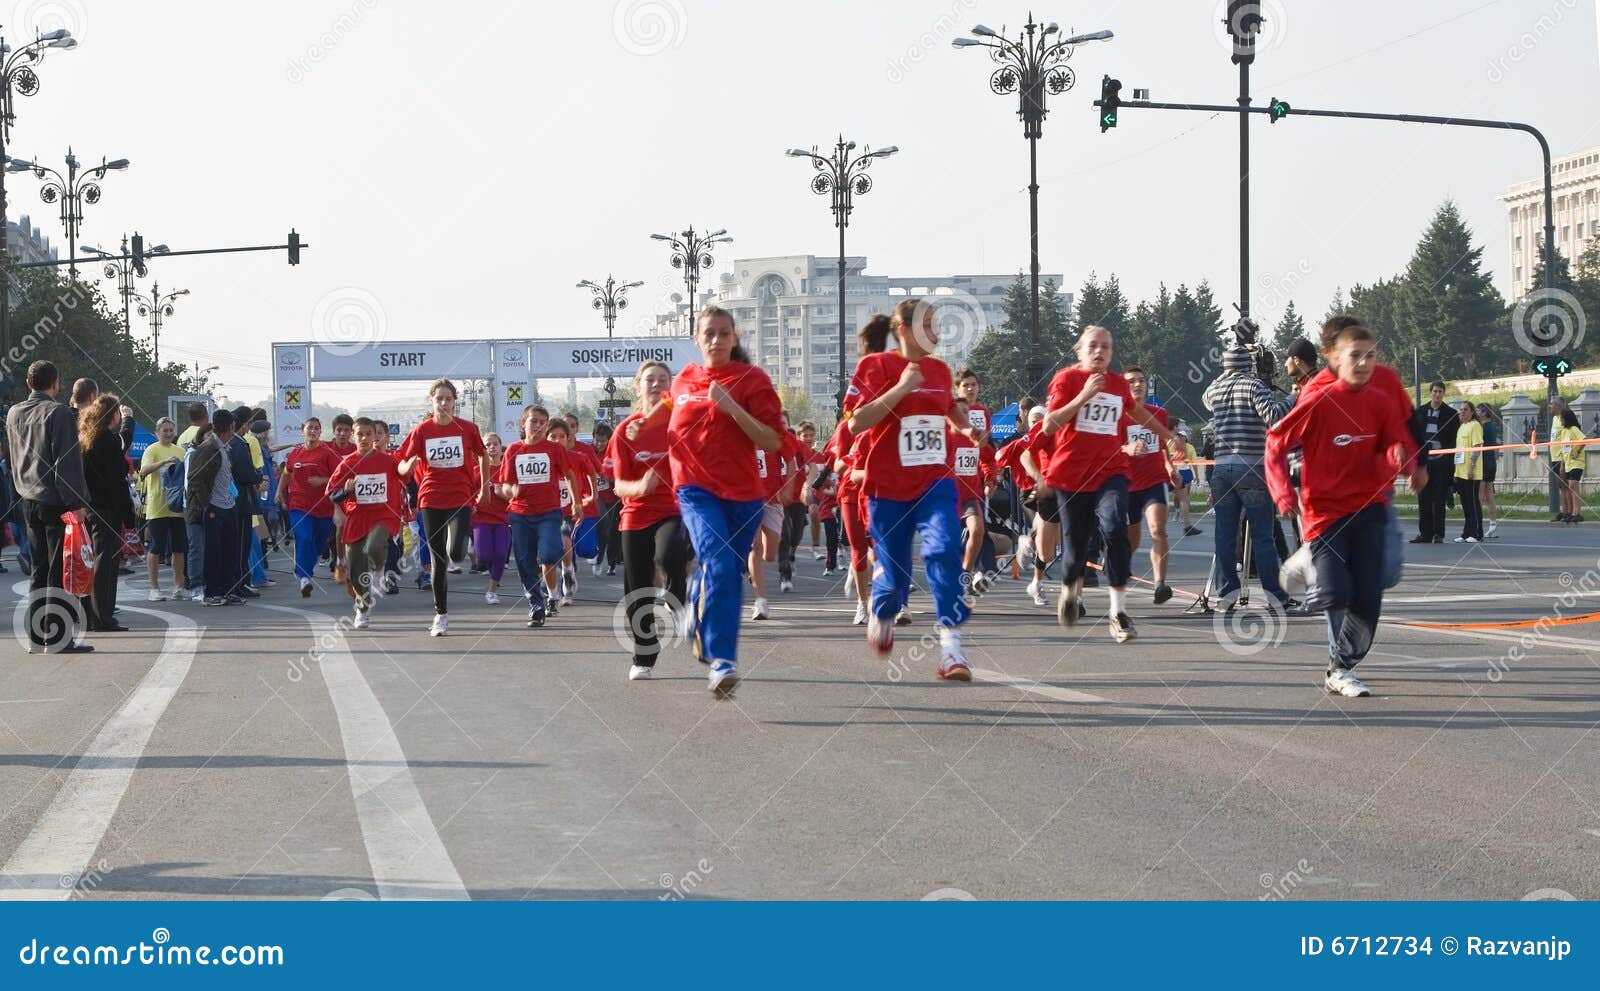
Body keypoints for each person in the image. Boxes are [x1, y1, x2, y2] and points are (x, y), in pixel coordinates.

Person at [628, 306, 784, 695]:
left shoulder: (752, 380)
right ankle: (723, 660)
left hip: (745, 494)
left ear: (735, 339)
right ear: (696, 339)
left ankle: (697, 607)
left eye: (723, 333)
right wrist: (641, 423)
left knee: (727, 572)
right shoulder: (685, 380)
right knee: (717, 560)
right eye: (708, 333)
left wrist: (732, 408)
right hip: (695, 489)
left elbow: (772, 440)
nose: (716, 340)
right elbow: (668, 406)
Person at [1266, 316, 1423, 698]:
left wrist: (1408, 464)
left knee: (1378, 583)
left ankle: (1342, 651)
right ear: (1332, 357)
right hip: (1327, 511)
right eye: (1354, 355)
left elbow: (1404, 432)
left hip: (1374, 503)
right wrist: (1284, 494)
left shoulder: (1384, 390)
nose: (1363, 363)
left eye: (1369, 355)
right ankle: (1340, 664)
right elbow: (1277, 441)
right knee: (1338, 593)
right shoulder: (1318, 394)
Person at [844, 298, 972, 677]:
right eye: (928, 325)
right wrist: (900, 388)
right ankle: (881, 612)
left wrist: (966, 428)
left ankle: (951, 648)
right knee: (895, 574)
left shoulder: (940, 370)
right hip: (887, 487)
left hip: (934, 480)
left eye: (937, 324)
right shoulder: (875, 365)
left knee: (946, 548)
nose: (936, 332)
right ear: (903, 330)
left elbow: (949, 407)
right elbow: (855, 424)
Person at [1043, 326, 1185, 642]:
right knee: (1077, 545)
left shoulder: (1118, 384)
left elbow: (1139, 413)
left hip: (1112, 471)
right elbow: (1050, 425)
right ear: (1079, 350)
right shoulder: (1066, 379)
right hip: (1072, 475)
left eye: (1106, 347)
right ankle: (1069, 590)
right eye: (1093, 346)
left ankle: (1118, 612)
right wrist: (1084, 396)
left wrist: (1169, 436)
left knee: (1115, 528)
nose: (1099, 352)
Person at [608, 361, 693, 680]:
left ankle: (677, 601)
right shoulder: (626, 431)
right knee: (636, 595)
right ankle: (644, 656)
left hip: (674, 509)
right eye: (649, 380)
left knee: (669, 552)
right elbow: (618, 484)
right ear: (637, 386)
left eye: (663, 379)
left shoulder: (680, 424)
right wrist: (640, 486)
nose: (656, 384)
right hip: (635, 514)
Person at [6, 361, 91, 652]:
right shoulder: (58, 413)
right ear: (54, 383)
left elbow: (13, 457)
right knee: (60, 570)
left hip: (26, 498)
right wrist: (76, 502)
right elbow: (66, 462)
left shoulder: (14, 413)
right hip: (55, 500)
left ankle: (36, 635)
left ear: (30, 383)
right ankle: (58, 638)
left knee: (39, 569)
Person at [1202, 343, 1293, 610]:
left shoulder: (1215, 390)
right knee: (1263, 536)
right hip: (1252, 467)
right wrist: (1292, 399)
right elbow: (1273, 416)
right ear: (1249, 366)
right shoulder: (1254, 387)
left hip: (1222, 471)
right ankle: (1276, 596)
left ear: (1225, 367)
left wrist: (1224, 373)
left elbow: (1206, 396)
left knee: (1225, 535)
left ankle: (1227, 594)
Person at [397, 378, 490, 636]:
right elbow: (401, 465)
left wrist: (483, 488)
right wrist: (410, 466)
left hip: (460, 495)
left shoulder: (467, 429)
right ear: (432, 400)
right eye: (439, 398)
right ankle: (441, 615)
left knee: (457, 554)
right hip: (430, 498)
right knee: (438, 561)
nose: (444, 403)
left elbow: (482, 455)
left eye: (448, 398)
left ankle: (457, 547)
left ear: (455, 401)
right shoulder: (422, 431)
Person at [497, 406, 579, 627]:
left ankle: (552, 591)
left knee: (550, 554)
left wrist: (577, 502)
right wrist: (510, 491)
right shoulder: (513, 450)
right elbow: (504, 485)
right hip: (520, 514)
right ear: (523, 423)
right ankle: (536, 604)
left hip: (549, 512)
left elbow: (569, 475)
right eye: (534, 421)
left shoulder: (554, 449)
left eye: (543, 422)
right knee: (525, 562)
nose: (538, 425)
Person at [326, 417, 405, 629]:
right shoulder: (348, 463)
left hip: (382, 515)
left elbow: (406, 477)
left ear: (375, 437)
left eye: (369, 434)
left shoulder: (388, 460)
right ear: (354, 435)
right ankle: (362, 608)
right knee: (356, 567)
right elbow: (332, 494)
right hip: (357, 517)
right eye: (359, 434)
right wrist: (347, 490)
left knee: (376, 545)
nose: (364, 438)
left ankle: (379, 569)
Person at [1121, 366, 1181, 604]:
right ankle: (1119, 562)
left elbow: (1162, 444)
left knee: (1158, 529)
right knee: (1132, 541)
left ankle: (1160, 584)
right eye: (1131, 381)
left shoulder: (1159, 413)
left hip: (1154, 480)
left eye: (1141, 381)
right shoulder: (1118, 416)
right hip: (1126, 484)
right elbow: (1110, 447)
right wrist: (1128, 448)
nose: (1137, 385)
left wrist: (1170, 467)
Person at [80, 396, 135, 632]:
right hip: (107, 508)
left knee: (94, 562)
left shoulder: (86, 439)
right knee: (106, 564)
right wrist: (129, 420)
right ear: (113, 415)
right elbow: (118, 473)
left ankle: (93, 614)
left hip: (90, 506)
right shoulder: (107, 441)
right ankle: (103, 616)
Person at [278, 417, 340, 597]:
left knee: (319, 544)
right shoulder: (295, 454)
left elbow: (339, 477)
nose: (312, 431)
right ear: (302, 431)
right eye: (309, 428)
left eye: (316, 428)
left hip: (323, 507)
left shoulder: (327, 453)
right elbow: (287, 473)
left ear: (320, 432)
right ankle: (304, 578)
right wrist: (279, 491)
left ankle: (306, 566)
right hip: (299, 505)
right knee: (304, 537)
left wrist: (323, 480)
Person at [186, 409, 241, 605]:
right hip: (214, 507)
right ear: (231, 427)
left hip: (228, 505)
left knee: (229, 550)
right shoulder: (207, 448)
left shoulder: (225, 447)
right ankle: (211, 593)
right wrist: (206, 504)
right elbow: (194, 479)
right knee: (213, 551)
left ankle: (227, 589)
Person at [749, 414, 801, 619]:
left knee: (770, 554)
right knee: (755, 547)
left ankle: (760, 560)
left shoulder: (775, 430)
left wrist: (788, 488)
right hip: (749, 497)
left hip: (773, 499)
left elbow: (791, 461)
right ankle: (760, 601)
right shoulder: (740, 425)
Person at [137, 417, 191, 601]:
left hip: (176, 507)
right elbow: (143, 471)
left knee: (179, 548)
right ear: (157, 433)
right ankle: (154, 588)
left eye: (170, 430)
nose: (168, 434)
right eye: (164, 431)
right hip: (157, 506)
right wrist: (164, 462)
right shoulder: (151, 449)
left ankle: (179, 586)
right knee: (155, 548)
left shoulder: (180, 450)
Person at [950, 397, 997, 597]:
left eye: (966, 414)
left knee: (978, 529)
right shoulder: (942, 439)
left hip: (970, 496)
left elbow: (988, 458)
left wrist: (990, 480)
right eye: (959, 413)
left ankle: (966, 573)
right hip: (947, 498)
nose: (963, 418)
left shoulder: (975, 439)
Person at [1408, 381, 1458, 543]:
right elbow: (1413, 436)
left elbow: (1452, 441)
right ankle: (1425, 533)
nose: (1437, 394)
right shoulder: (1420, 411)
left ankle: (1438, 534)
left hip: (1441, 463)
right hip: (1424, 462)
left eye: (1440, 392)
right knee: (1423, 498)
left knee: (1439, 498)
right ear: (1430, 393)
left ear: (1443, 394)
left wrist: (1450, 463)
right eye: (1435, 391)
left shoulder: (1450, 414)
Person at [471, 431, 512, 604]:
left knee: (501, 554)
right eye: (487, 445)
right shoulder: (476, 470)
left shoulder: (508, 469)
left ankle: (492, 590)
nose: (492, 447)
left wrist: (502, 493)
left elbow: (516, 495)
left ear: (501, 448)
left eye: (495, 444)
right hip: (481, 519)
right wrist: (472, 505)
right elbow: (468, 493)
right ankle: (491, 568)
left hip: (503, 519)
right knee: (484, 556)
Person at [591, 421, 623, 577]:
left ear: (609, 440)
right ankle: (598, 556)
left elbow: (621, 473)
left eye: (603, 441)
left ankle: (611, 563)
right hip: (596, 497)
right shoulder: (589, 452)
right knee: (601, 524)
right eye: (597, 440)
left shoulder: (614, 453)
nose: (599, 444)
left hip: (614, 497)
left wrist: (609, 476)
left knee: (611, 531)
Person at [1452, 401, 1484, 543]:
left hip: (1471, 471)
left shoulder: (1475, 426)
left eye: (1466, 410)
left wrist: (1471, 466)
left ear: (1472, 412)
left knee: (1472, 502)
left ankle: (1477, 532)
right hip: (1460, 470)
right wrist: (1455, 471)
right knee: (1465, 503)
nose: (1462, 412)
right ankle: (1466, 532)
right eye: (1461, 410)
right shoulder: (1462, 427)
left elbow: (1477, 447)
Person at [1554, 408, 1586, 523]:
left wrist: (1577, 451)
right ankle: (1573, 512)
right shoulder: (1563, 431)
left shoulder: (1573, 429)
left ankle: (1577, 512)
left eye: (1562, 418)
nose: (1561, 420)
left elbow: (1583, 440)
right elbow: (1563, 449)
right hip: (1567, 463)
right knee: (1570, 487)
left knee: (1573, 485)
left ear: (1567, 419)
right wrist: (1562, 465)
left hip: (1577, 462)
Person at [1477, 403, 1501, 537]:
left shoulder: (1483, 427)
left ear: (1484, 412)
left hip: (1483, 462)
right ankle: (1493, 524)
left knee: (1480, 496)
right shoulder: (1493, 426)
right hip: (1492, 462)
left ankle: (1478, 525)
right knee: (1489, 495)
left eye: (1478, 410)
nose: (1476, 413)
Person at [1172, 429, 1201, 536]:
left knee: (1185, 495)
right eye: (1179, 435)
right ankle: (1177, 511)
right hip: (1176, 471)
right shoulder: (1172, 444)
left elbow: (1194, 462)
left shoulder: (1190, 447)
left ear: (1185, 437)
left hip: (1186, 471)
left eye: (1182, 436)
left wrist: (1197, 476)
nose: (1180, 437)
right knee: (1177, 496)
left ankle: (1186, 521)